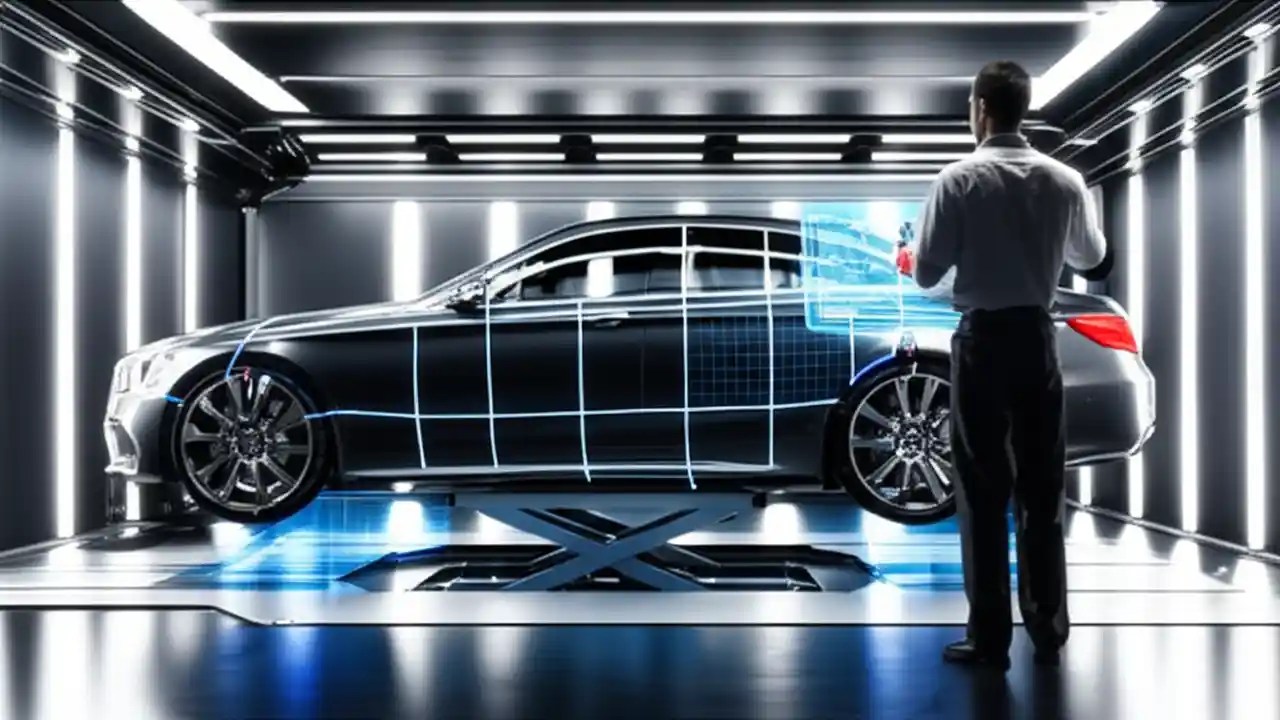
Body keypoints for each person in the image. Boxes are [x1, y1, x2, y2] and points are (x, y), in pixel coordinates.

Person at [897, 60, 1111, 670]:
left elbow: (928, 273)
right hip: (1038, 339)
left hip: (982, 342)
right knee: (1042, 488)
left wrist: (907, 255)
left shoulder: (957, 179)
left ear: (981, 108)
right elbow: (1094, 259)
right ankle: (1048, 628)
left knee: (982, 491)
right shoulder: (1065, 180)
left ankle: (989, 639)